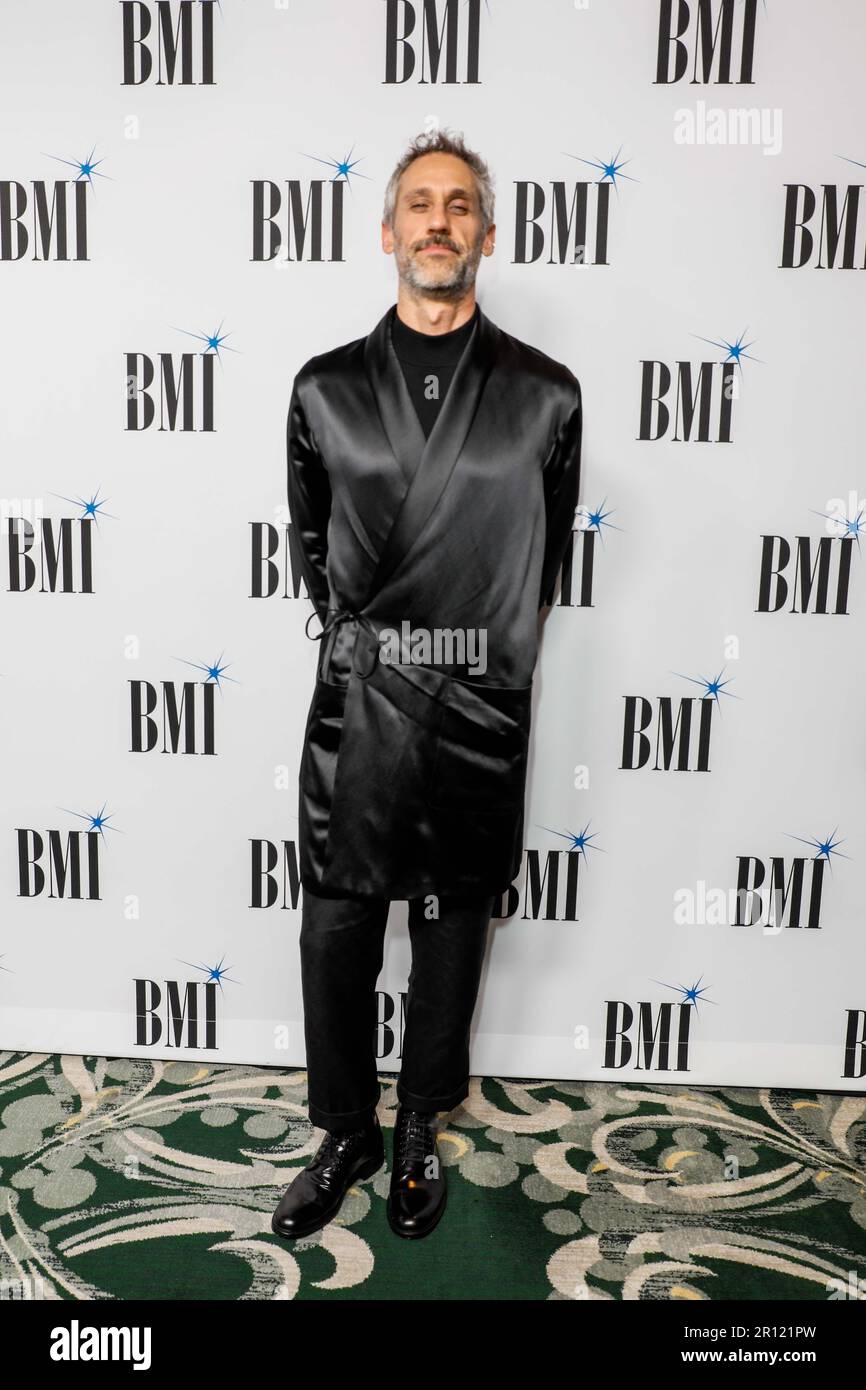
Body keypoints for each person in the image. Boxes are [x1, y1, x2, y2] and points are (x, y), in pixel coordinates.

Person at [272, 127, 582, 1241]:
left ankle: (416, 1125)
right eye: (419, 203)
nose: (438, 221)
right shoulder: (324, 388)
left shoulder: (546, 395)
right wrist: (382, 648)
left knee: (452, 921)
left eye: (458, 205)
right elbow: (314, 549)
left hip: (477, 709)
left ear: (486, 236)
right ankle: (345, 1127)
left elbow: (538, 566)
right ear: (389, 232)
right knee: (338, 923)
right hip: (359, 703)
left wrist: (474, 666)